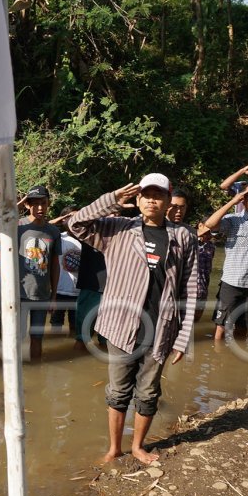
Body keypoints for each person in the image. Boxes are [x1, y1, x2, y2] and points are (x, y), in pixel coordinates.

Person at [68, 174, 197, 464]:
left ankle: (138, 446)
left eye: (159, 195)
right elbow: (75, 223)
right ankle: (114, 448)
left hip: (161, 327)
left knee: (149, 391)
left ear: (168, 201)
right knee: (118, 391)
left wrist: (183, 336)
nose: (152, 199)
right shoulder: (117, 229)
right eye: (146, 194)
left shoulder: (182, 236)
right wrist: (111, 199)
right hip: (120, 326)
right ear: (137, 200)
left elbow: (190, 286)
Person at [0, 186, 60, 360]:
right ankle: (14, 377)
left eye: (44, 203)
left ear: (49, 203)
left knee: (37, 338)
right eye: (35, 204)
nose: (40, 208)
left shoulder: (53, 231)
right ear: (28, 205)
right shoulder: (17, 225)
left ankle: (36, 373)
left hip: (42, 295)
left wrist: (54, 296)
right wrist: (15, 209)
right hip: (17, 295)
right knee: (14, 338)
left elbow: (54, 266)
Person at [202, 181, 248, 341]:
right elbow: (210, 224)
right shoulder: (233, 220)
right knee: (221, 327)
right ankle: (217, 360)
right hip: (231, 283)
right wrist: (233, 202)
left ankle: (243, 361)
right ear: (243, 199)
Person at [169, 188, 215, 322]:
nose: (178, 211)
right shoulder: (159, 230)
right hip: (171, 292)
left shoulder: (190, 234)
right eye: (174, 207)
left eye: (182, 207)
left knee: (188, 328)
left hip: (197, 291)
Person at [50, 229, 81, 338]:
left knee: (76, 325)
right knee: (56, 324)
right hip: (59, 289)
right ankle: (56, 349)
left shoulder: (85, 238)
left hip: (78, 291)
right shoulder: (59, 237)